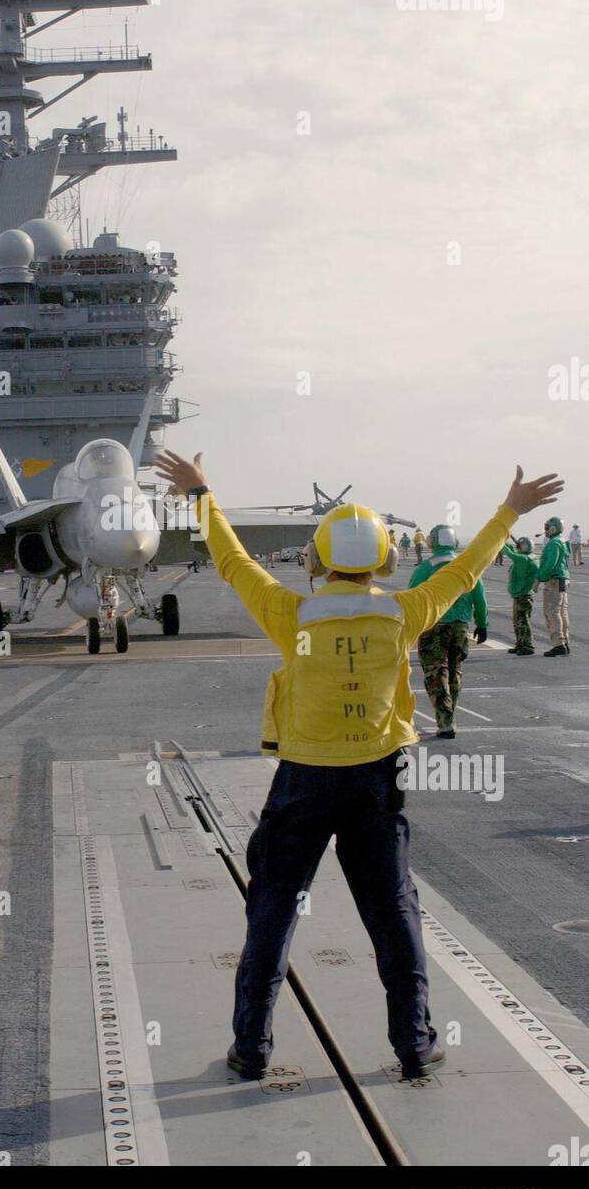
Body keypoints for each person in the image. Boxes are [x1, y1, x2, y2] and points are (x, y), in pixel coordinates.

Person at [153, 447, 562, 1083]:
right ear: (386, 559)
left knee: (273, 911)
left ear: (316, 561)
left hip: (302, 783)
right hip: (377, 780)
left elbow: (232, 561)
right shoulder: (404, 614)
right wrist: (510, 511)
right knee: (394, 912)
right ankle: (413, 1042)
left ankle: (252, 1047)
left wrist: (202, 492)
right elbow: (465, 571)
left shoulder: (291, 616)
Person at [408, 524, 488, 739]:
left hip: (433, 627)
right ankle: (451, 718)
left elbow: (412, 598)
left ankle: (444, 721)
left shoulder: (425, 568)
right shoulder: (466, 567)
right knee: (455, 671)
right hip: (460, 627)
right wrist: (482, 624)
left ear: (432, 541)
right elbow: (479, 597)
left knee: (436, 674)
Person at [536, 516, 570, 656]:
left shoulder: (554, 544)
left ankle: (558, 644)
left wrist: (538, 579)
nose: (546, 530)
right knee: (562, 612)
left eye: (547, 527)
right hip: (563, 579)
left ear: (554, 528)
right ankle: (564, 642)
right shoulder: (563, 541)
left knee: (552, 612)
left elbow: (550, 564)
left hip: (554, 581)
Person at [500, 536, 538, 655]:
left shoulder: (523, 559)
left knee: (522, 621)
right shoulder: (530, 557)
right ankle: (520, 644)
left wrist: (499, 540)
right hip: (521, 595)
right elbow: (511, 551)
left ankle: (527, 645)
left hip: (523, 595)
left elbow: (508, 552)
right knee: (518, 621)